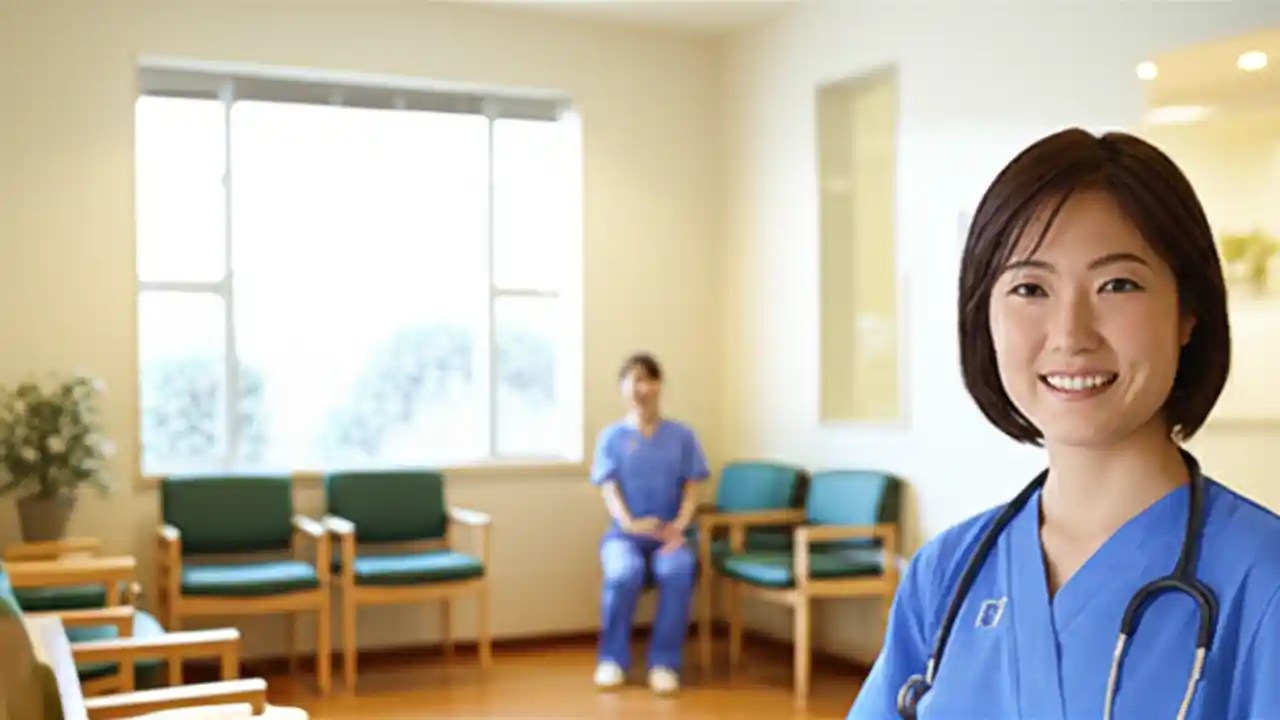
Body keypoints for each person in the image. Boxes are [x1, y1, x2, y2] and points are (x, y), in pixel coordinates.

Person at [848, 128, 1280, 719]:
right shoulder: (945, 574)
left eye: (1117, 285)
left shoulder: (1263, 580)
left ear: (1188, 312)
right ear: (985, 318)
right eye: (1030, 288)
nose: (1071, 334)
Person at [589, 352, 709, 695]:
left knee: (677, 571)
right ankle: (611, 660)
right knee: (622, 573)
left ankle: (664, 664)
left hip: (670, 535)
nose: (641, 388)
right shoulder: (611, 438)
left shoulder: (682, 436)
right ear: (622, 388)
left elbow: (691, 489)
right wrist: (629, 523)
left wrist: (679, 527)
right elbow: (609, 490)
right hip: (624, 536)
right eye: (633, 380)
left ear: (658, 386)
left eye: (648, 380)